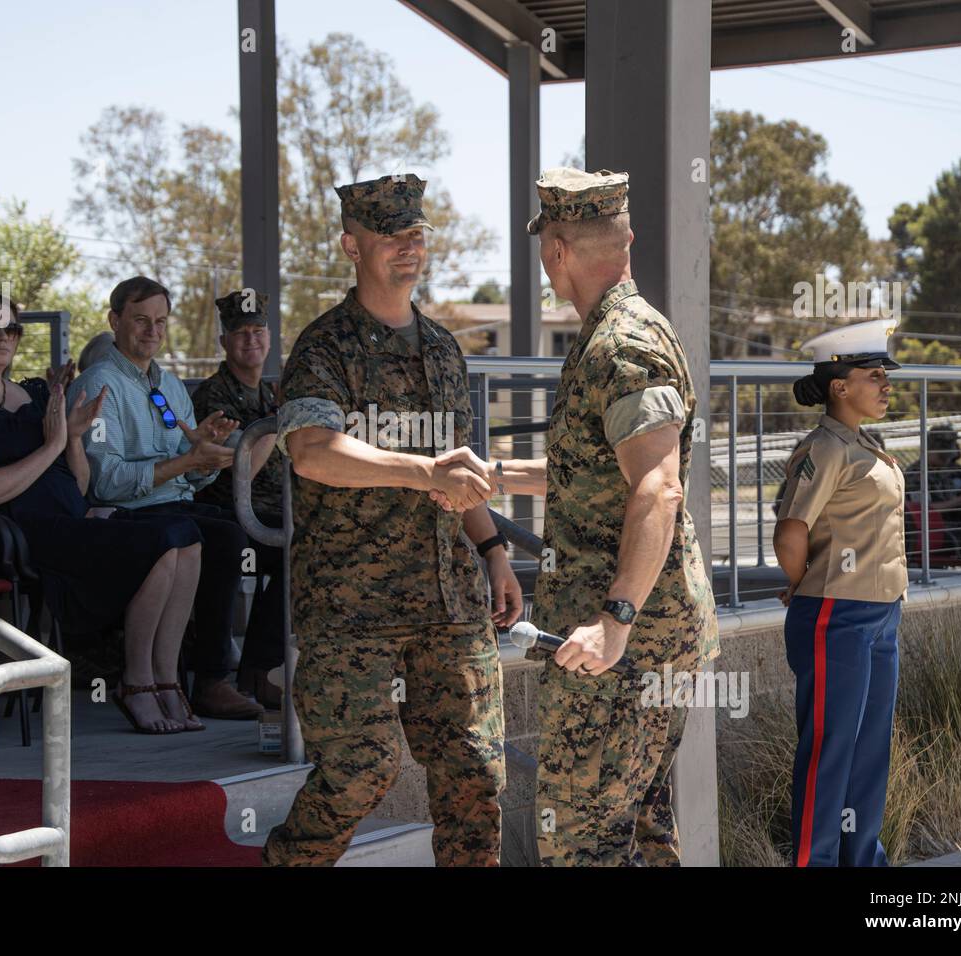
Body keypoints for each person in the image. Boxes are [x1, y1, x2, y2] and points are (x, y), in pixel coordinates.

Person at [451, 168, 719, 866]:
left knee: (579, 838)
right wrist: (501, 475)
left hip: (620, 648)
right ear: (624, 241)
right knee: (643, 832)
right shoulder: (613, 334)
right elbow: (603, 472)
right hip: (639, 643)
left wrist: (614, 621)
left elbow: (658, 489)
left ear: (556, 253)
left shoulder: (621, 346)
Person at [262, 173, 521, 867]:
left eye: (417, 235)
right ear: (352, 246)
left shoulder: (442, 347)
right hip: (352, 610)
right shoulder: (325, 349)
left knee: (476, 776)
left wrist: (494, 550)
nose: (409, 249)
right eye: (390, 237)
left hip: (449, 604)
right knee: (359, 772)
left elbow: (458, 469)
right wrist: (420, 472)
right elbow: (313, 452)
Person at [0, 290, 206, 733]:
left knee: (186, 534)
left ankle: (164, 679)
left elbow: (79, 484)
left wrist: (72, 438)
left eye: (11, 328)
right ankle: (135, 680)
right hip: (13, 532)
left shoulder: (32, 393)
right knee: (161, 541)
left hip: (68, 517)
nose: (4, 338)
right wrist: (53, 442)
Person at [70, 276, 265, 721]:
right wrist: (187, 462)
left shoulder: (169, 385)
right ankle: (184, 677)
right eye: (140, 321)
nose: (152, 331)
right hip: (121, 513)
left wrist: (205, 455)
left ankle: (211, 676)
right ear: (114, 321)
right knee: (210, 534)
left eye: (160, 322)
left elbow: (188, 477)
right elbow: (107, 483)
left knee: (234, 534)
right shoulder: (98, 385)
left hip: (169, 504)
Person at [773, 318, 907, 867]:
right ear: (839, 386)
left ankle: (863, 861)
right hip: (836, 613)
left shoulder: (863, 443)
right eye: (874, 375)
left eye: (885, 375)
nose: (885, 384)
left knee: (870, 750)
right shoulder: (824, 447)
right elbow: (790, 531)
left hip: (881, 613)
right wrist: (803, 585)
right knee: (831, 752)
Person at [191, 289, 285, 708]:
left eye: (258, 330)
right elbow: (241, 470)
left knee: (311, 549)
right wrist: (277, 422)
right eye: (240, 332)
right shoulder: (217, 394)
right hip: (227, 513)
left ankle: (263, 670)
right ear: (224, 342)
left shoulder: (268, 393)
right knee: (281, 554)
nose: (251, 339)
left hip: (272, 513)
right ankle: (241, 677)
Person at [903, 423, 961, 559]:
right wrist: (960, 501)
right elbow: (923, 511)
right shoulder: (916, 475)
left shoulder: (948, 468)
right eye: (949, 447)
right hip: (939, 530)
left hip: (958, 523)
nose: (953, 452)